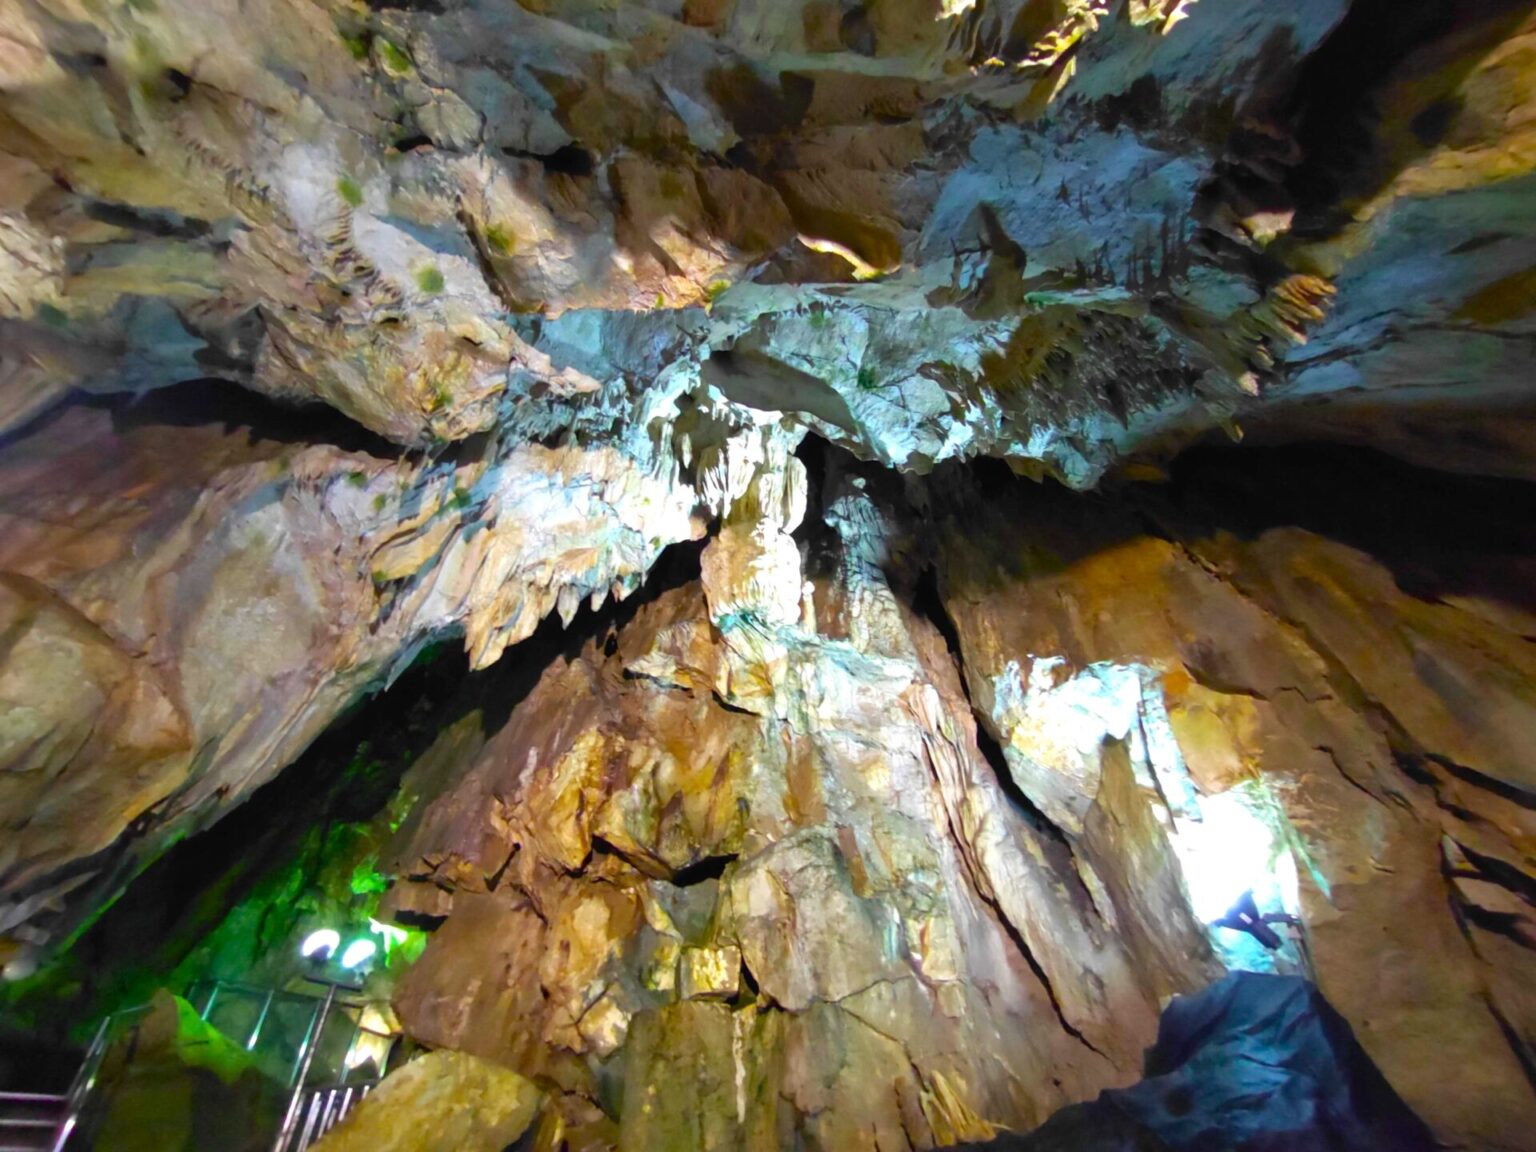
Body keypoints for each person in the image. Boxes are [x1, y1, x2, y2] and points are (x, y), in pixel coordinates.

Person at [1214, 889, 1300, 950]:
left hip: (1252, 924)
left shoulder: (1243, 919)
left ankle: (1292, 919)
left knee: (1262, 922)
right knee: (1262, 922)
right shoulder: (1243, 918)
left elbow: (1231, 923)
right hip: (1253, 924)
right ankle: (1292, 919)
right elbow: (1231, 923)